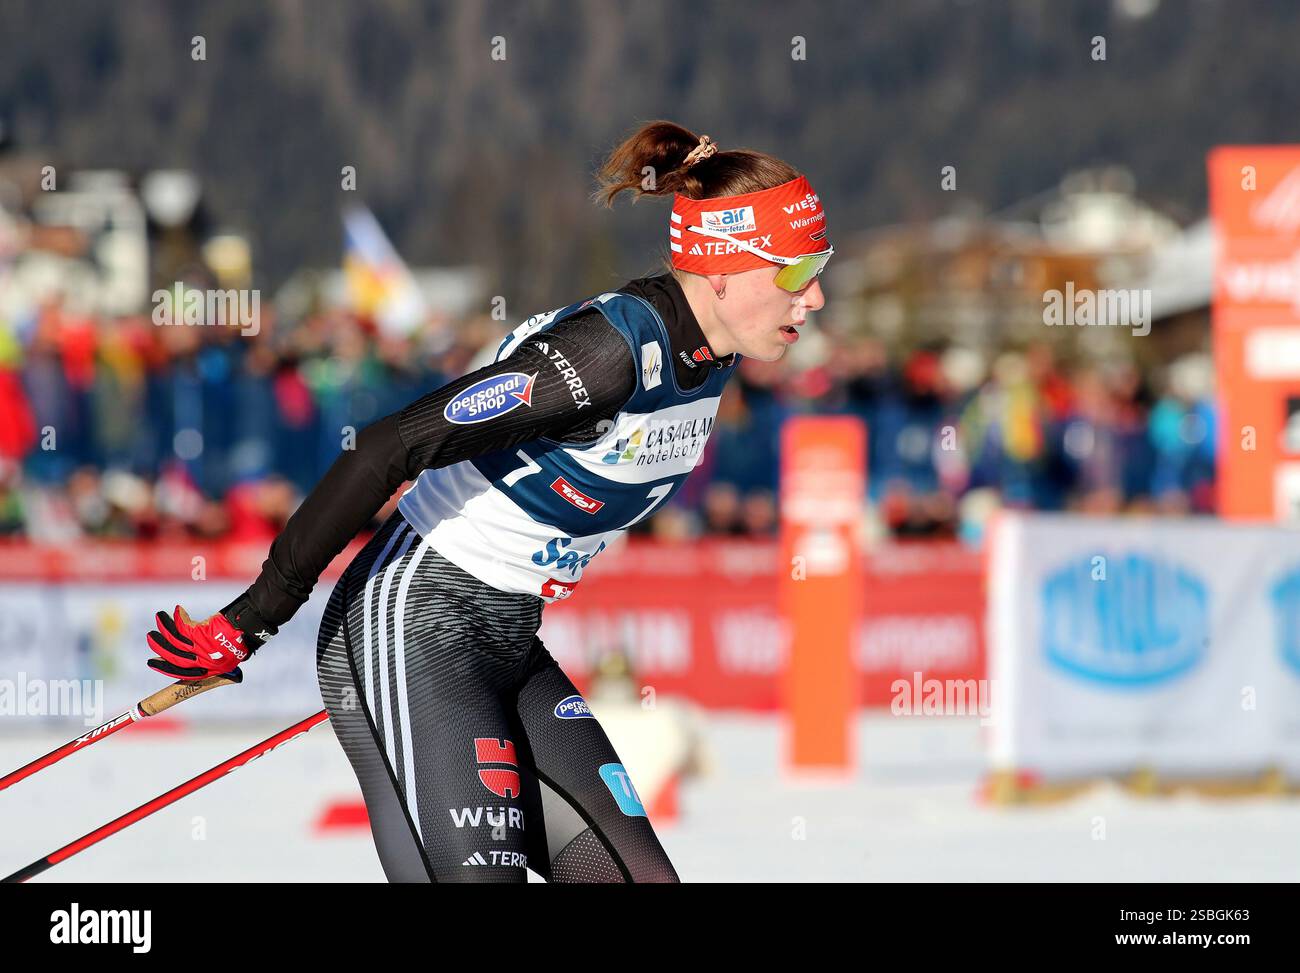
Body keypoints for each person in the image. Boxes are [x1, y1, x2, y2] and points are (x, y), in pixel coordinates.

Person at [143, 120, 832, 883]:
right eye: (800, 272)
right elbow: (386, 447)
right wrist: (250, 619)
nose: (816, 296)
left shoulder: (716, 351)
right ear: (727, 268)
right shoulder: (601, 357)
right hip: (409, 620)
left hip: (504, 639)